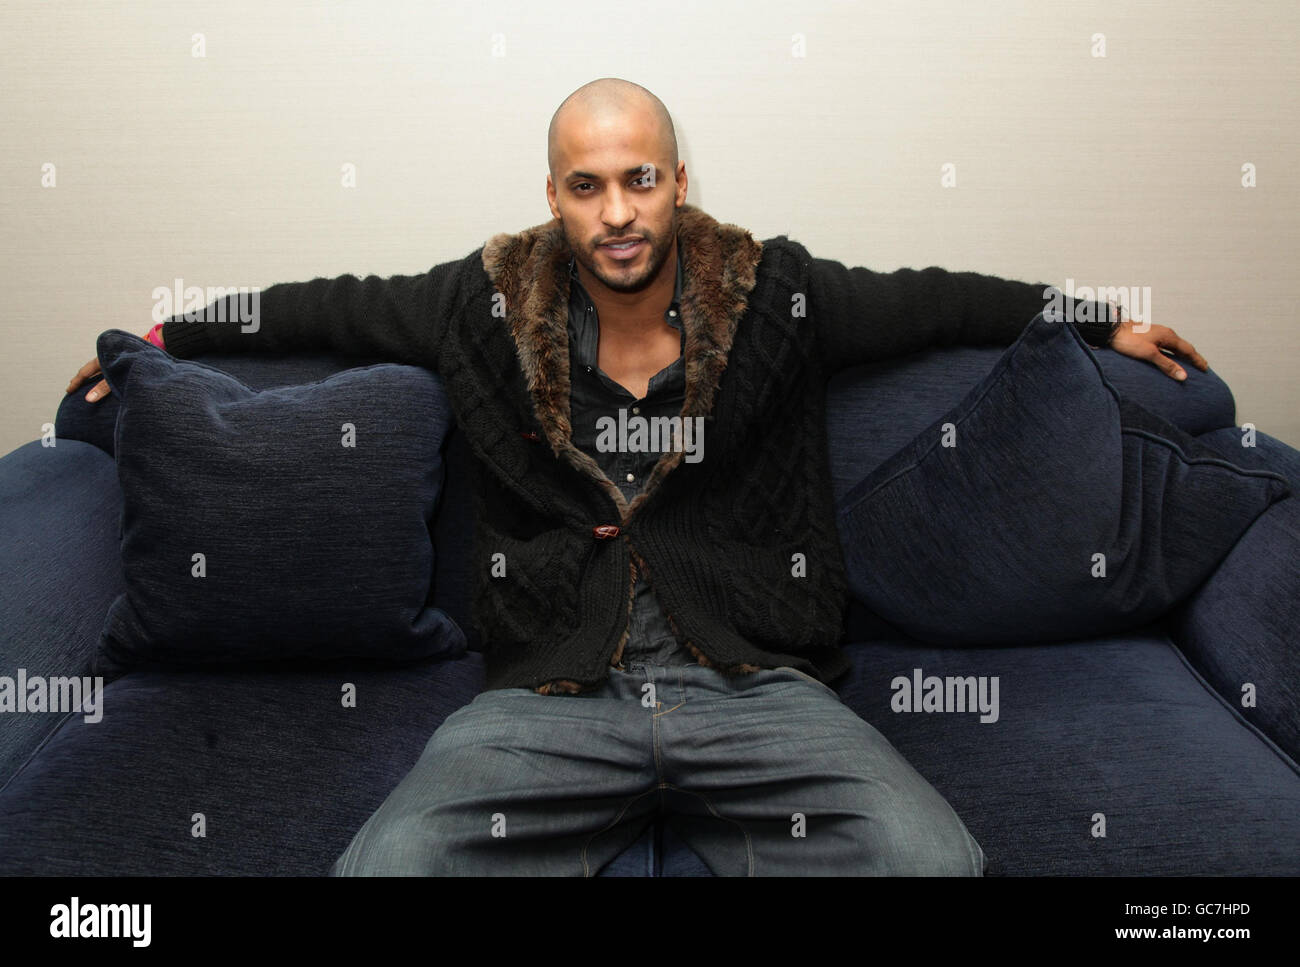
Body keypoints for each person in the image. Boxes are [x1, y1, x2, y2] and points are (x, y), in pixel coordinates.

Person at [66, 77, 1208, 876]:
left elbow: (942, 295)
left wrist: (1096, 318)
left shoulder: (775, 293)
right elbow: (322, 303)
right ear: (554, 194)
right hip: (551, 693)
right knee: (393, 864)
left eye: (639, 178)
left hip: (756, 685)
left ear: (675, 180)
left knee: (930, 857)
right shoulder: (482, 303)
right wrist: (168, 340)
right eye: (585, 185)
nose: (616, 212)